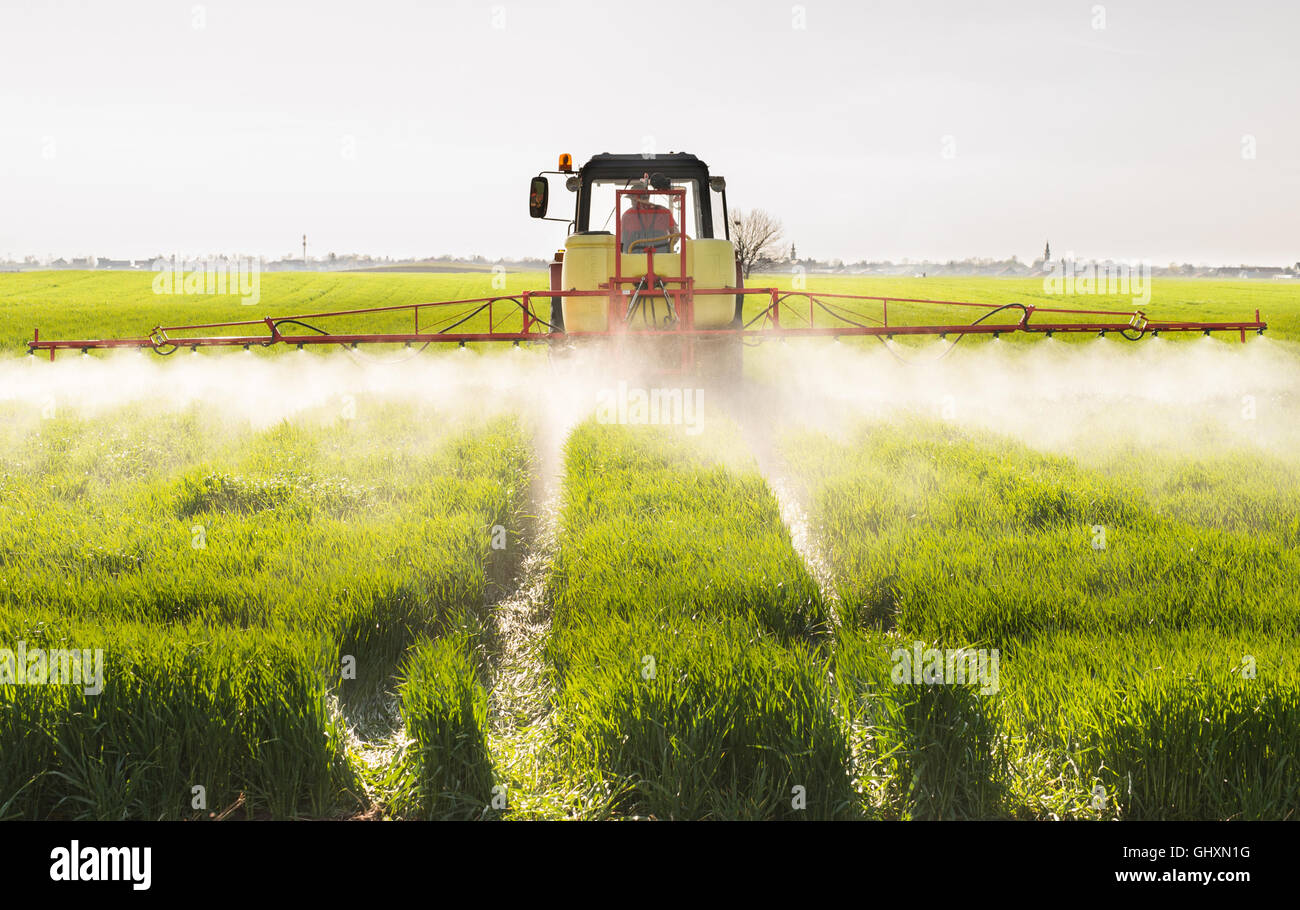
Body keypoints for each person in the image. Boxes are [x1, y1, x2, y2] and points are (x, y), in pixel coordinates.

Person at [619, 175, 678, 254]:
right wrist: (667, 250)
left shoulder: (627, 216)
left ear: (639, 197)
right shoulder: (664, 212)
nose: (631, 201)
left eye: (632, 198)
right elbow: (676, 236)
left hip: (634, 261)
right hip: (662, 260)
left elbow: (623, 243)